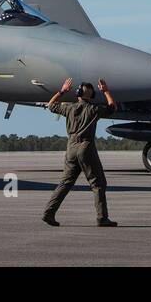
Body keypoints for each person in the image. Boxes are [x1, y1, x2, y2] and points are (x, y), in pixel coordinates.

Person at [42, 77, 118, 227]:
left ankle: (48, 213)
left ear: (77, 94)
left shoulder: (68, 108)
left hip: (71, 148)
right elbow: (112, 108)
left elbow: (50, 106)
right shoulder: (94, 109)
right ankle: (102, 218)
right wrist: (106, 91)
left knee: (65, 183)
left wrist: (62, 91)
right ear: (92, 96)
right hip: (86, 147)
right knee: (98, 184)